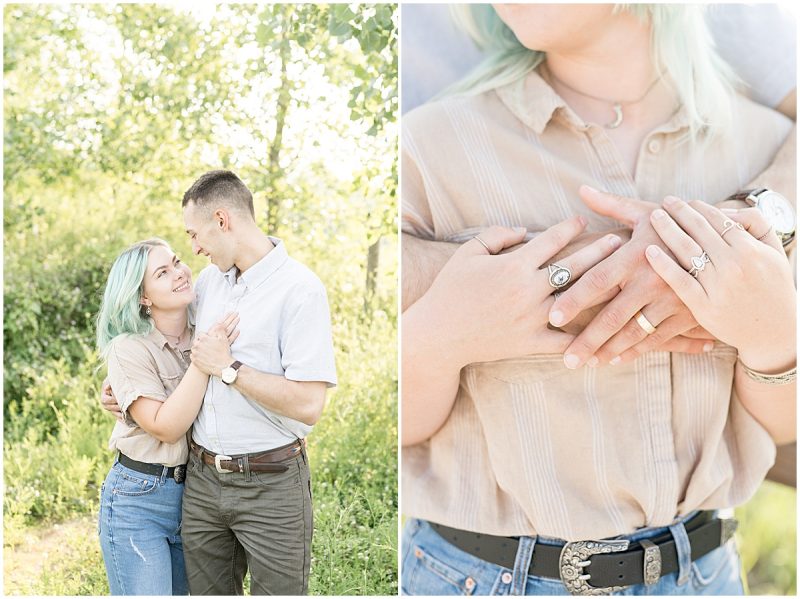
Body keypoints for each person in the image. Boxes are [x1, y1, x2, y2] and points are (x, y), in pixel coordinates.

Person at [401, 4, 795, 596]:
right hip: (481, 578)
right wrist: (439, 337)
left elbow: (784, 424)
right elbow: (401, 430)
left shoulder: (764, 151)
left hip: (702, 575)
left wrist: (772, 336)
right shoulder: (430, 150)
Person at [103, 170, 337, 595]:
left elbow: (309, 405)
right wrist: (119, 391)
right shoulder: (209, 284)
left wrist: (230, 370)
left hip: (272, 483)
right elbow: (157, 345)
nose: (193, 249)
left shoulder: (300, 291)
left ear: (223, 220)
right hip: (202, 483)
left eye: (195, 235)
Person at [96, 238, 238, 595]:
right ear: (143, 297)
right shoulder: (129, 347)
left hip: (197, 496)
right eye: (162, 273)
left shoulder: (203, 323)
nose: (179, 273)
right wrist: (207, 360)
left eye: (176, 262)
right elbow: (167, 427)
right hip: (139, 498)